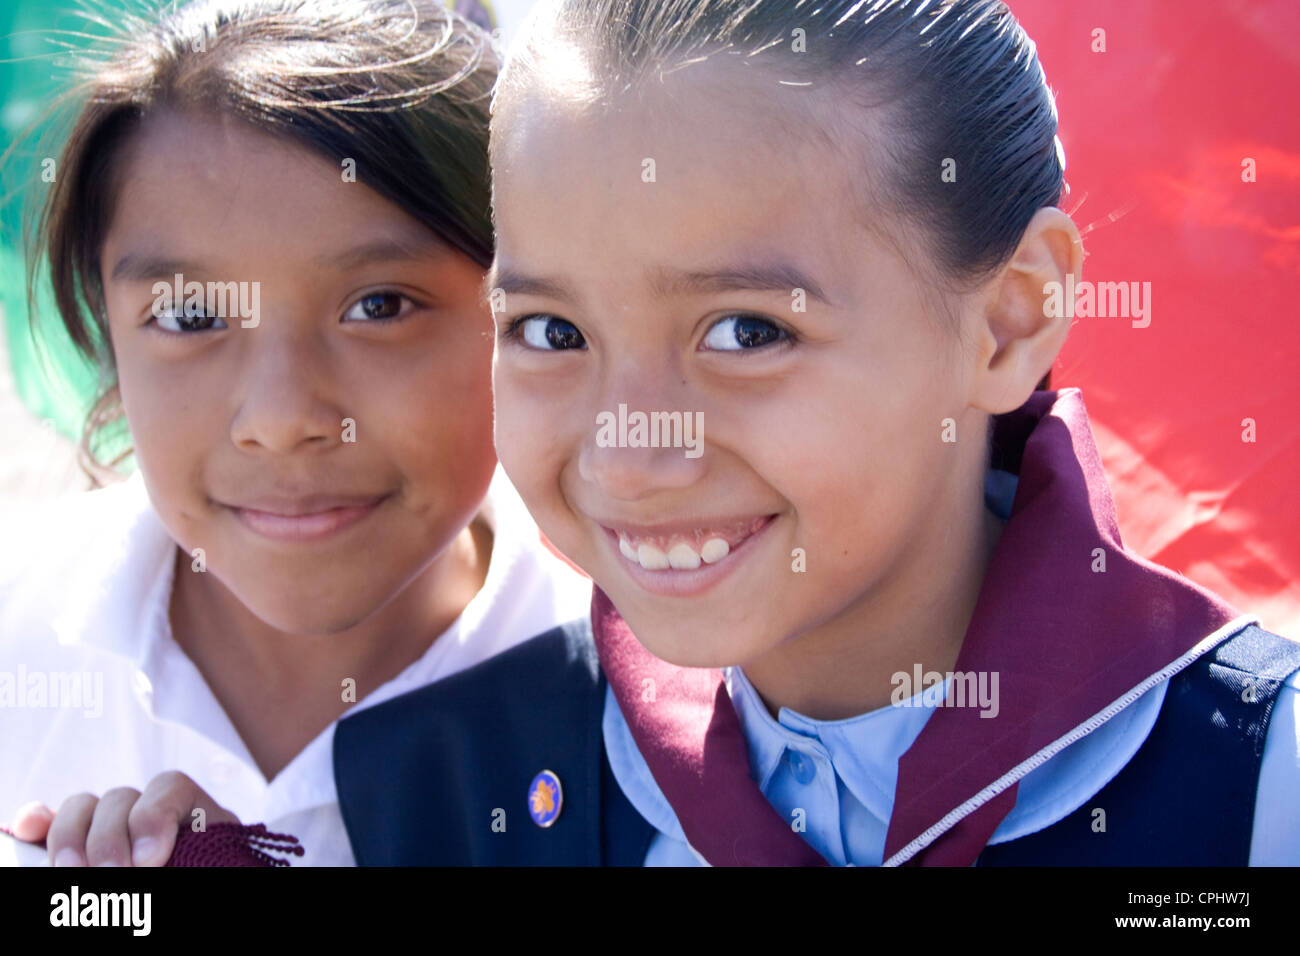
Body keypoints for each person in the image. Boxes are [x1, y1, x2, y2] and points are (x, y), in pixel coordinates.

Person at [42, 0, 1300, 866]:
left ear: (1009, 317)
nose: (629, 450)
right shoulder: (435, 782)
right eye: (550, 331)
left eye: (745, 330)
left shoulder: (1253, 781)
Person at [0, 0, 590, 867]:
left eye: (379, 306)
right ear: (108, 339)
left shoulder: (648, 726)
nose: (280, 421)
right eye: (192, 314)